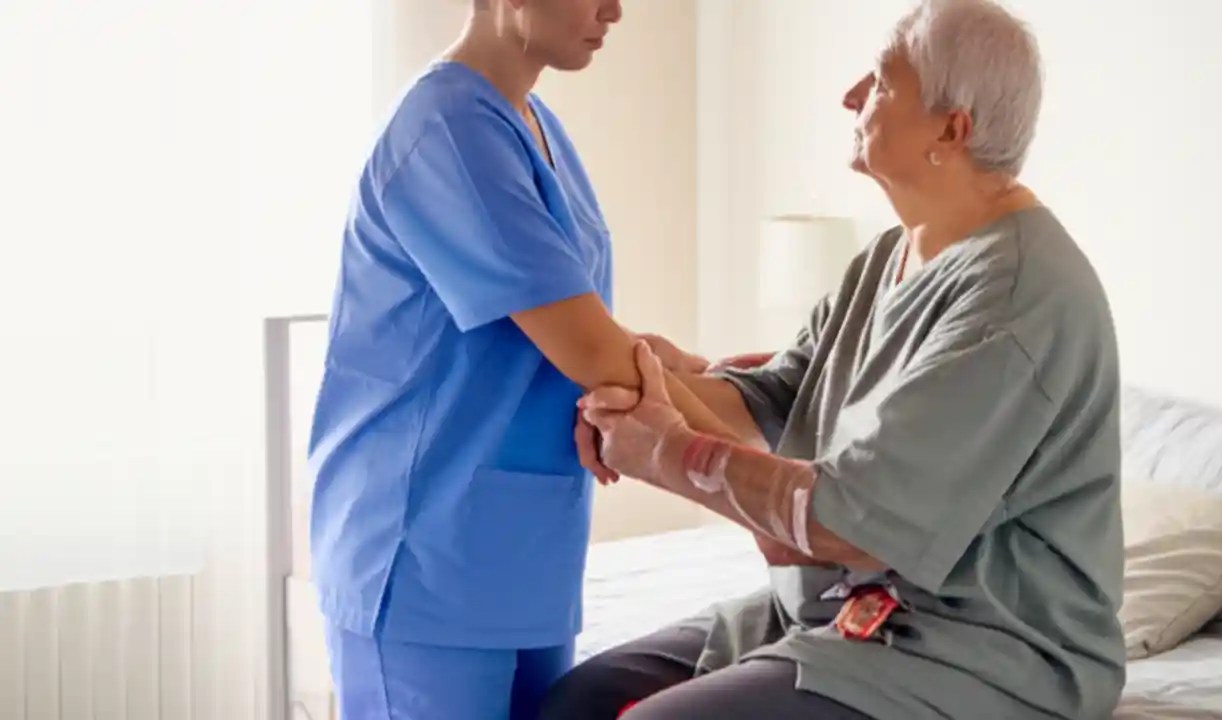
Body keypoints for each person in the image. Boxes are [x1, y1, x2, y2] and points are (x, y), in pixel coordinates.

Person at [543, 1, 1127, 718]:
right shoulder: (890, 256)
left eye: (882, 82)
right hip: (843, 614)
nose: (851, 96)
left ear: (953, 128)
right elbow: (779, 396)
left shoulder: (1019, 297)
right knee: (577, 702)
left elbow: (843, 524)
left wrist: (664, 453)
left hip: (977, 651)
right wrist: (653, 378)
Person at [306, 1, 724, 718]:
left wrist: (666, 366)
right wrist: (770, 473)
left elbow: (569, 323)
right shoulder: (448, 128)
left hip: (519, 549)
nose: (614, 10)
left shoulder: (528, 121)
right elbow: (590, 349)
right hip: (423, 550)